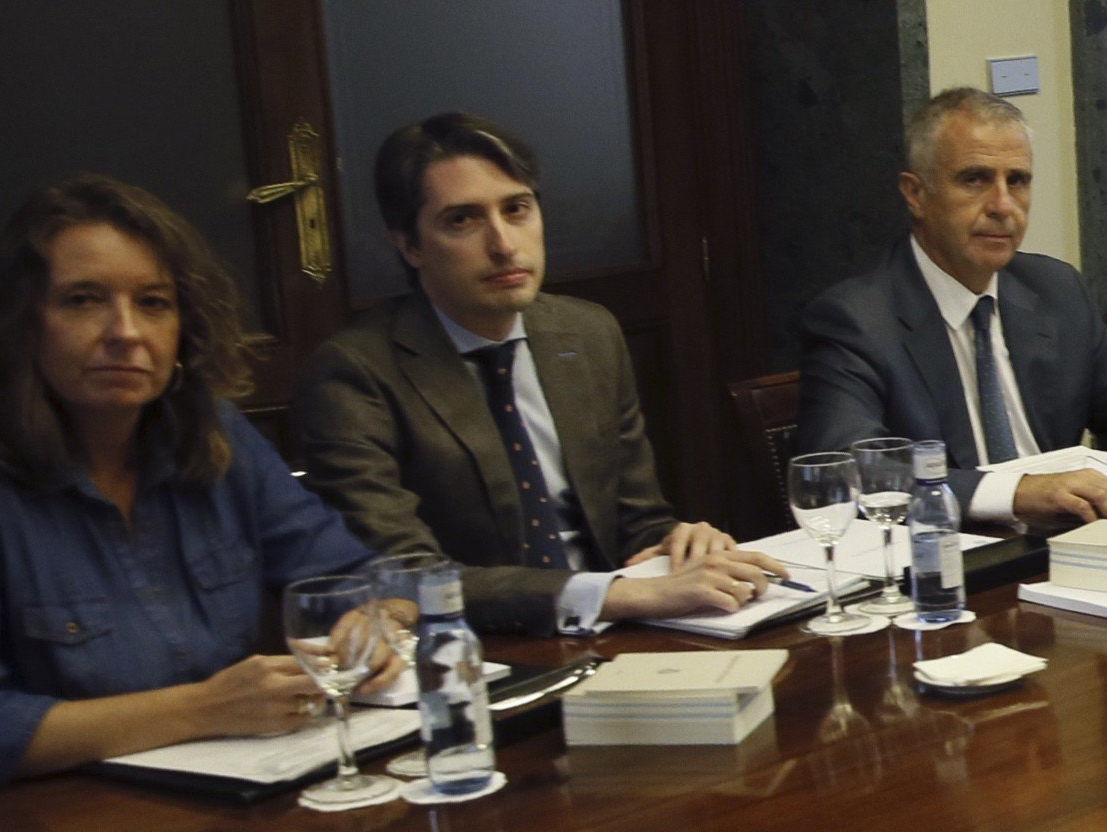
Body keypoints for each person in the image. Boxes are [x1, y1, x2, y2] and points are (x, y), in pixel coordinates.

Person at [0, 178, 389, 799]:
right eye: (83, 301)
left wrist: (375, 624)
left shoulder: (217, 437)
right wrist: (203, 708)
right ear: (23, 326)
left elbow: (371, 579)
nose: (125, 331)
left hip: (239, 802)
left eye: (153, 303)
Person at [293, 115, 781, 636]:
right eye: (463, 221)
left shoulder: (587, 334)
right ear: (410, 246)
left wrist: (680, 543)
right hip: (480, 656)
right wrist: (612, 595)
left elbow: (636, 521)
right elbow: (406, 578)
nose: (504, 244)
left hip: (622, 634)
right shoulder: (354, 372)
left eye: (516, 209)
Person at [796, 88, 1107, 527]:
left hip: (1069, 547)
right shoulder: (856, 320)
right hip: (951, 561)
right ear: (915, 194)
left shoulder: (1055, 289)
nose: (1003, 206)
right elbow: (853, 469)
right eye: (975, 179)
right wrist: (1017, 492)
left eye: (1017, 181)